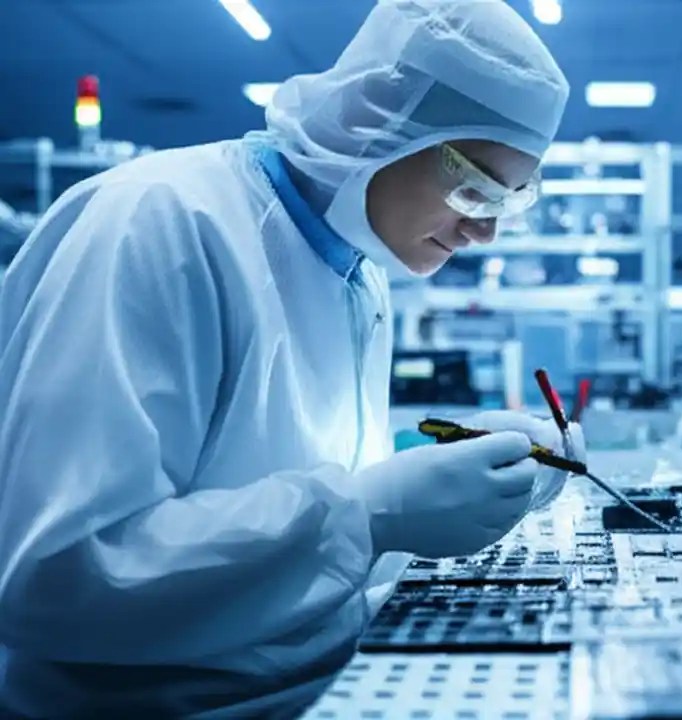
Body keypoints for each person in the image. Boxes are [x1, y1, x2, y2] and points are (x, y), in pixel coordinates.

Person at [0, 1, 577, 715]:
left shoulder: (357, 268)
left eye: (507, 202)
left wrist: (451, 461)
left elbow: (272, 471)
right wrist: (373, 513)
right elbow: (62, 575)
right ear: (383, 124)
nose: (484, 232)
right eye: (473, 189)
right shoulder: (159, 222)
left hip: (301, 680)